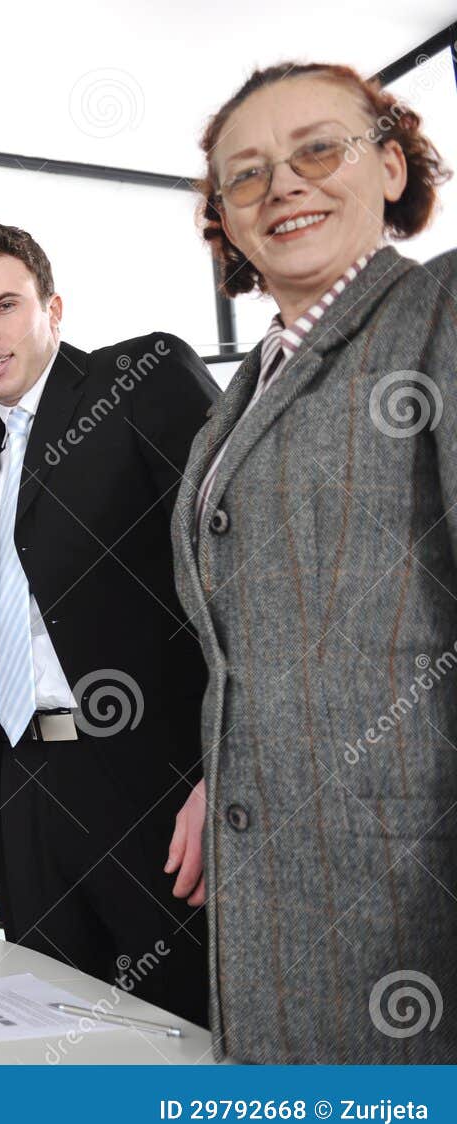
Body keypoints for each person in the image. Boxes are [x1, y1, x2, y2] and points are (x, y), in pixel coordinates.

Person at [174, 61, 456, 1062]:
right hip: (270, 889)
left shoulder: (440, 309)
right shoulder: (238, 396)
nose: (281, 186)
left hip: (402, 898)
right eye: (245, 176)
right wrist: (223, 768)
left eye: (315, 150)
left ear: (389, 165)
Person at [0, 222, 216, 1026]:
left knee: (175, 1026)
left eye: (3, 305)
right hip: (26, 795)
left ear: (52, 307)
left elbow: (240, 570)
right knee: (54, 1023)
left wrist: (220, 770)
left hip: (153, 785)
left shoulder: (142, 378)